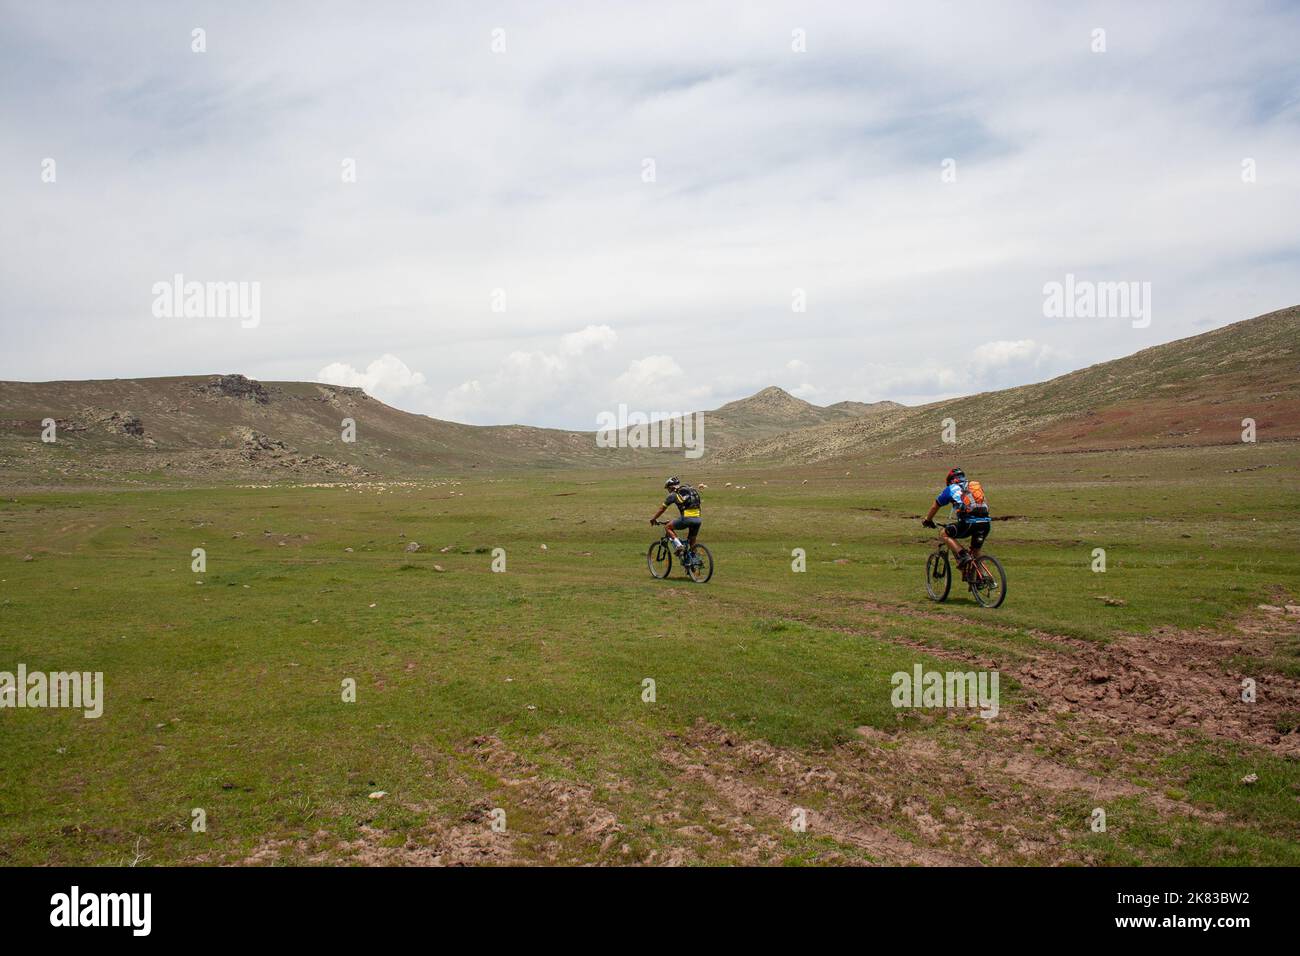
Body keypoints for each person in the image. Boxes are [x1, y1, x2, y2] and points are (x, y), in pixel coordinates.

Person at [922, 467, 990, 578]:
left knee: (944, 533)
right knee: (976, 551)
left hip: (969, 523)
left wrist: (927, 520)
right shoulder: (973, 487)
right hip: (985, 523)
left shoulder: (951, 488)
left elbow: (935, 506)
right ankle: (984, 577)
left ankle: (962, 555)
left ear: (950, 480)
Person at [650, 476, 702, 560]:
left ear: (670, 487)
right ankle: (694, 562)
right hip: (698, 519)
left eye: (668, 489)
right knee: (692, 542)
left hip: (687, 519)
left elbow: (662, 509)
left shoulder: (673, 495)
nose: (668, 491)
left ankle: (679, 545)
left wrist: (653, 519)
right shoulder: (688, 490)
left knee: (667, 527)